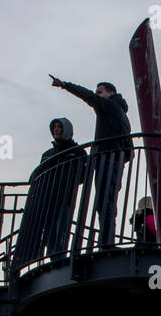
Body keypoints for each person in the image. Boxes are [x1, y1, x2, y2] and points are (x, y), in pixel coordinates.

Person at [49, 75, 131, 250]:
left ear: (110, 93)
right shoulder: (123, 115)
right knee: (109, 201)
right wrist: (120, 159)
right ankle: (106, 241)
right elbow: (129, 148)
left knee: (103, 203)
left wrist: (65, 85)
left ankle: (106, 243)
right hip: (115, 163)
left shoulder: (108, 105)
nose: (97, 95)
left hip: (106, 161)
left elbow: (87, 96)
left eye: (100, 92)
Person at [13, 117, 86, 267]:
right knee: (49, 233)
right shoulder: (48, 154)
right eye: (55, 127)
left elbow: (82, 176)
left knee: (61, 230)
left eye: (60, 127)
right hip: (47, 198)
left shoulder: (77, 152)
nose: (57, 130)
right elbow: (39, 176)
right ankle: (53, 259)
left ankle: (58, 261)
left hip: (65, 197)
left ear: (67, 130)